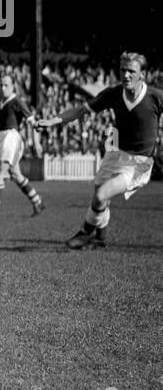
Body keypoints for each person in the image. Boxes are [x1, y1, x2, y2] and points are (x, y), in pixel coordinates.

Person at [38, 52, 163, 249]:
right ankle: (100, 238)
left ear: (143, 74)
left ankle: (85, 233)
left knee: (101, 195)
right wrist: (53, 121)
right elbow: (81, 110)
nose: (126, 75)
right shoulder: (113, 93)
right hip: (115, 153)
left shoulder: (156, 97)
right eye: (123, 70)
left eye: (132, 71)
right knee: (99, 193)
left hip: (138, 163)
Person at [0, 73, 44, 218]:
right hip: (1, 137)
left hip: (11, 137)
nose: (3, 87)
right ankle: (37, 201)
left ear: (13, 86)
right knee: (16, 174)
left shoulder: (17, 101)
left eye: (6, 85)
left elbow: (33, 122)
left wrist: (37, 142)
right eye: (1, 84)